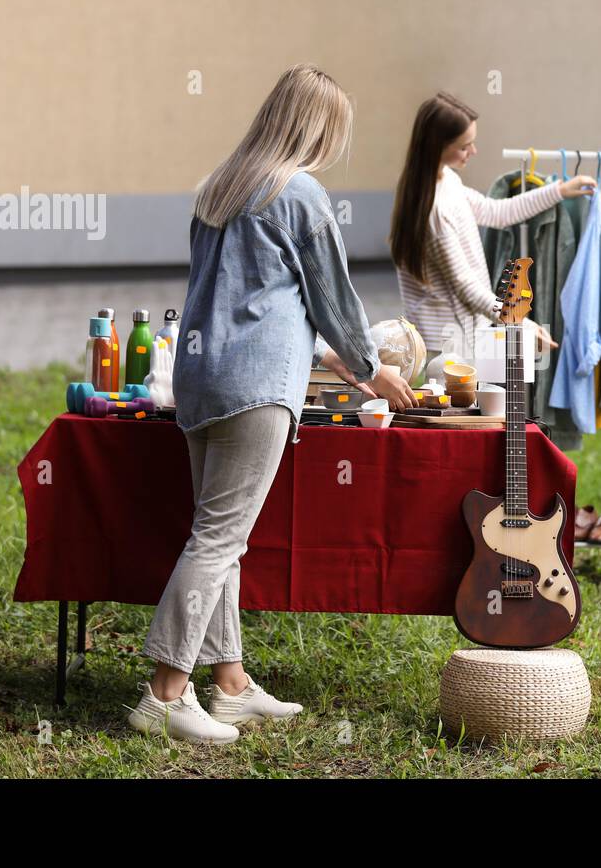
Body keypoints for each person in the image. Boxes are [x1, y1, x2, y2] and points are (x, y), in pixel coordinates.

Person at [127, 64, 416, 744]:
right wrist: (370, 369)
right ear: (317, 127)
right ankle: (164, 696)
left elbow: (240, 299)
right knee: (220, 538)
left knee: (220, 535)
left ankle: (229, 685)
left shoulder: (218, 187)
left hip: (201, 379)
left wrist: (330, 358)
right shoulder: (301, 193)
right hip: (257, 390)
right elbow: (333, 296)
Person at [389, 92, 596, 375]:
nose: (473, 151)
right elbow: (466, 287)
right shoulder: (435, 211)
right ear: (437, 147)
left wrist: (559, 191)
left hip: (463, 336)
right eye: (465, 146)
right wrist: (518, 321)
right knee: (460, 416)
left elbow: (496, 212)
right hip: (448, 345)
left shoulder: (446, 181)